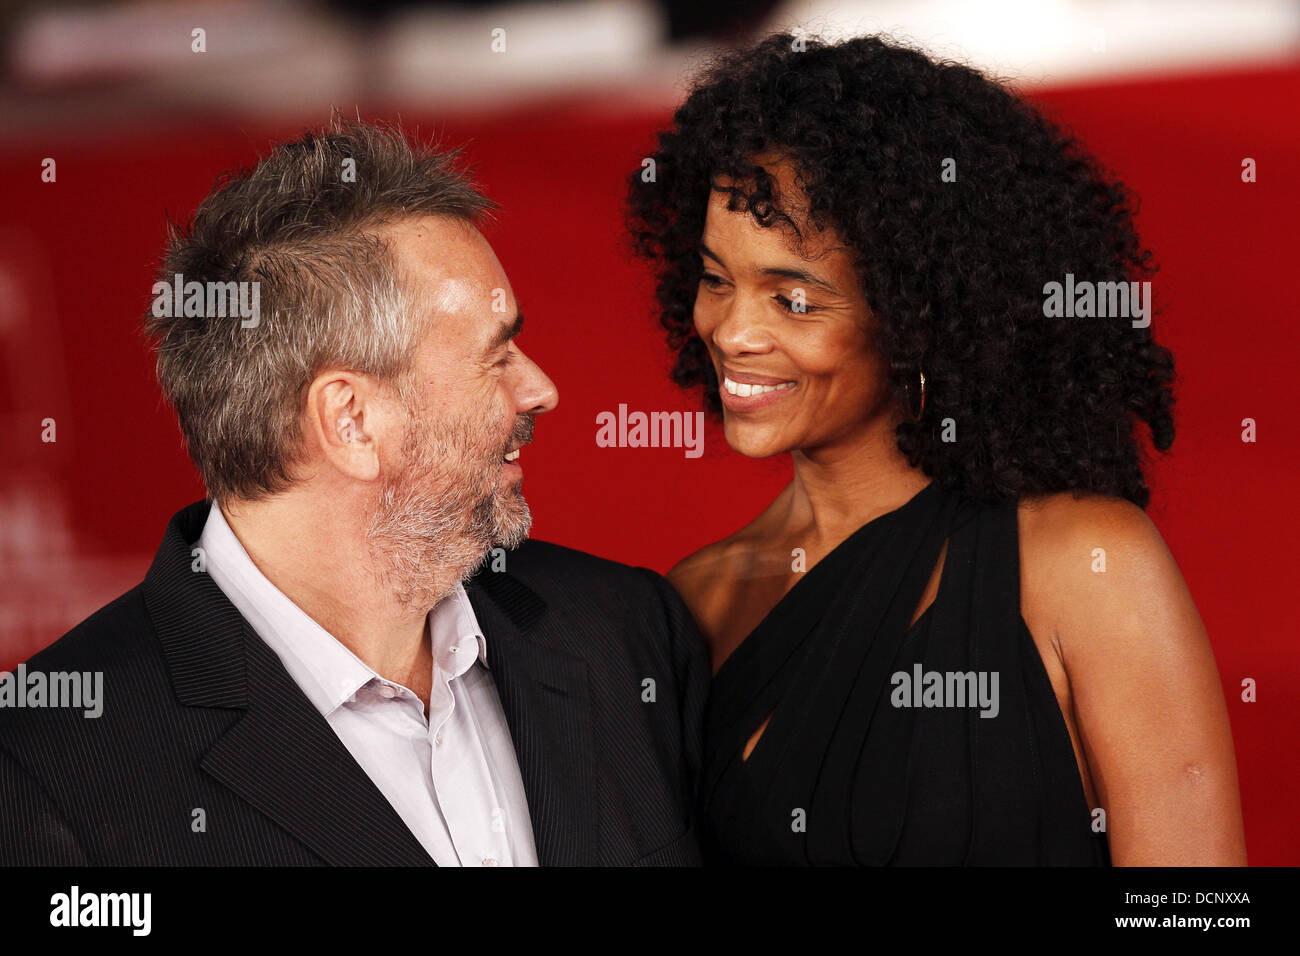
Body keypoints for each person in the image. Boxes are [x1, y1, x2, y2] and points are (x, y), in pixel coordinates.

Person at [0, 117, 706, 867]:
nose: (540, 390)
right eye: (496, 356)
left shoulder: (628, 637)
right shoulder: (48, 774)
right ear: (352, 420)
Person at [627, 34, 1247, 865]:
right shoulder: (698, 602)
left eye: (794, 299)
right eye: (715, 278)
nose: (734, 332)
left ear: (916, 316)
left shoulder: (1087, 564)